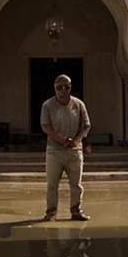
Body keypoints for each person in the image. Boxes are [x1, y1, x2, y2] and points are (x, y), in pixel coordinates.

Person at [40, 74, 91, 221]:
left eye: (66, 87)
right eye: (59, 87)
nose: (63, 90)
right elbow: (45, 126)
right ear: (54, 88)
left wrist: (77, 140)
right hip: (55, 150)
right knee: (52, 184)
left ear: (70, 87)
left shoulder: (79, 104)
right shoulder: (48, 105)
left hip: (74, 151)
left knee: (76, 185)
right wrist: (61, 140)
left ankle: (76, 210)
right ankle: (51, 212)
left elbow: (86, 126)